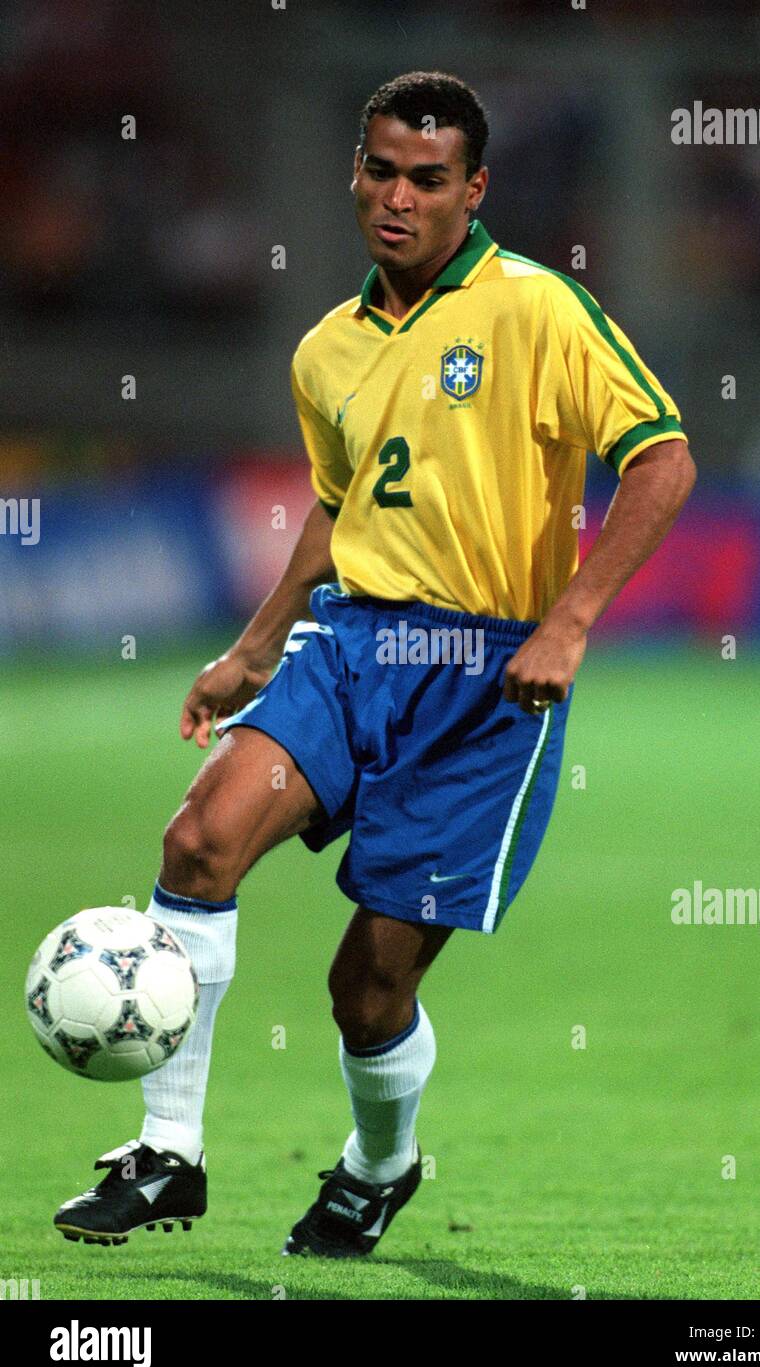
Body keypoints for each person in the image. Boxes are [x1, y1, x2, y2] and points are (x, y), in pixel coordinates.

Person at [54, 71, 696, 1257]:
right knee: (197, 842)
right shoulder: (326, 350)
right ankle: (167, 1151)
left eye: (427, 179)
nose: (397, 198)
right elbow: (337, 509)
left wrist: (570, 620)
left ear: (475, 189)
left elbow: (660, 460)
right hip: (350, 646)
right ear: (355, 172)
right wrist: (251, 650)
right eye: (380, 171)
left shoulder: (536, 308)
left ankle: (378, 1165)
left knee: (366, 993)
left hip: (489, 680)